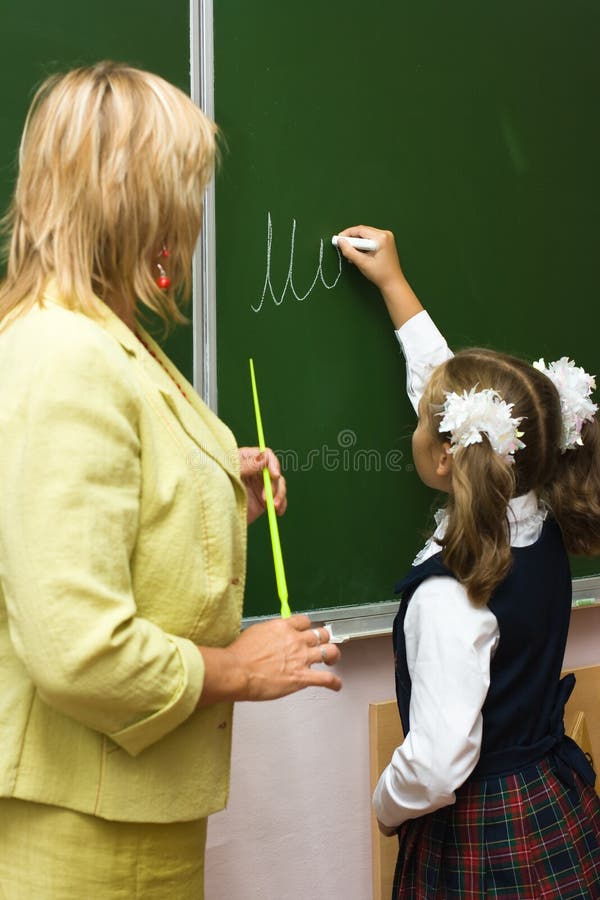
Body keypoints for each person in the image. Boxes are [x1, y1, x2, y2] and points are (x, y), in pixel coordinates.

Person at [0, 62, 341, 899]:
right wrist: (240, 668)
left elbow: (112, 502)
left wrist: (214, 482)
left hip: (127, 811)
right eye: (183, 186)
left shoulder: (103, 333)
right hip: (81, 831)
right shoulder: (64, 354)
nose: (193, 212)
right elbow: (78, 649)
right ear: (133, 199)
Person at [337, 225, 600, 898]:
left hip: (481, 835)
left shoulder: (450, 591)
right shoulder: (536, 508)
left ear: (448, 453)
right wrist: (395, 286)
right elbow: (454, 394)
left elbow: (433, 765)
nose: (416, 424)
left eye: (425, 421)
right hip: (551, 804)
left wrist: (385, 807)